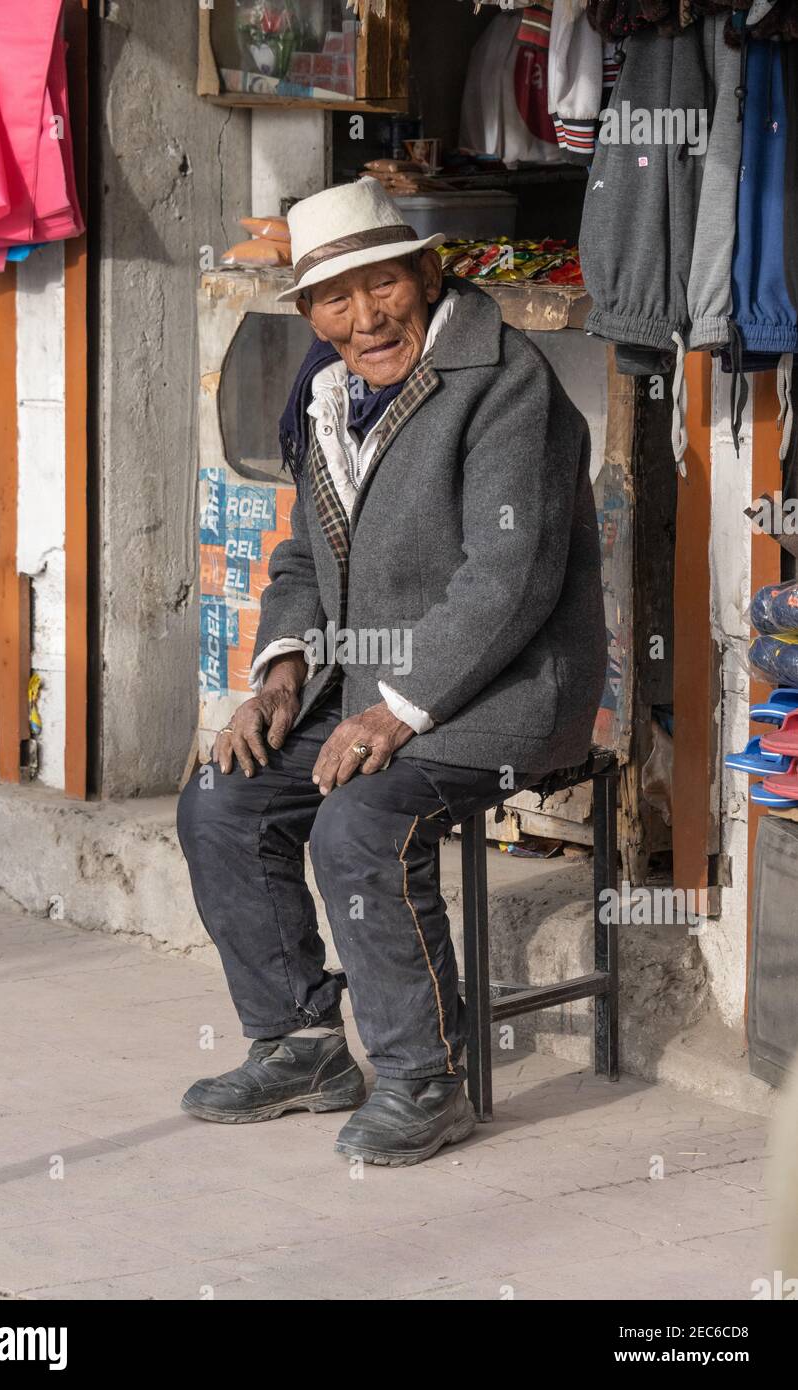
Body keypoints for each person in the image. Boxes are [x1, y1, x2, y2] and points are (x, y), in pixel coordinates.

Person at [177, 177, 607, 1166]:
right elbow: (300, 555)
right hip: (365, 689)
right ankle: (302, 1045)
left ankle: (424, 1077)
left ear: (426, 273)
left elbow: (509, 574)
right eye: (337, 298)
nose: (365, 317)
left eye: (384, 287)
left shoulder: (505, 384)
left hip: (501, 693)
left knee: (362, 820)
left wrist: (398, 710)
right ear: (309, 313)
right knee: (223, 801)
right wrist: (282, 673)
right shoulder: (328, 398)